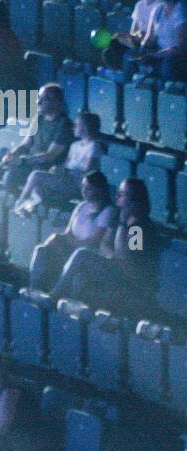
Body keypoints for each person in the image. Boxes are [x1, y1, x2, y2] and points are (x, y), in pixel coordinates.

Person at [50, 178, 157, 314]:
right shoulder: (117, 217)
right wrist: (113, 256)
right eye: (118, 192)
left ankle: (55, 295)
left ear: (134, 199)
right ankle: (73, 309)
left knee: (82, 254)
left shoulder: (139, 227)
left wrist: (124, 225)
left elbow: (130, 258)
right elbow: (105, 244)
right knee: (80, 275)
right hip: (114, 265)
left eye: (122, 194)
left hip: (130, 278)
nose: (117, 196)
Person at [28, 171, 116, 291]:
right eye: (83, 187)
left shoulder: (132, 227)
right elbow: (68, 233)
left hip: (86, 254)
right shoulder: (81, 206)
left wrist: (72, 242)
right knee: (42, 250)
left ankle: (55, 295)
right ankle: (33, 290)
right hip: (70, 247)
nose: (84, 191)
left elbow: (95, 242)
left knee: (79, 257)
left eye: (88, 188)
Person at [0, 82, 71, 190]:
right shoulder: (39, 118)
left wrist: (22, 161)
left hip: (42, 168)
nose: (38, 102)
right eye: (39, 97)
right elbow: (27, 143)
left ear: (56, 102)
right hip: (27, 163)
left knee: (11, 176)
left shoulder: (65, 125)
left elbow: (50, 155)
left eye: (44, 99)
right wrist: (12, 155)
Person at [14, 112, 103, 213]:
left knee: (36, 175)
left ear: (86, 127)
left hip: (78, 185)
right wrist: (58, 168)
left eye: (77, 125)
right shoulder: (75, 145)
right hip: (67, 179)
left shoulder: (94, 146)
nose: (74, 127)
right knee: (39, 188)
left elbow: (89, 170)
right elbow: (67, 164)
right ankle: (26, 208)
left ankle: (20, 202)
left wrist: (67, 171)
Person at [132, 0, 185, 81]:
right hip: (159, 52)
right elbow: (150, 38)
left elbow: (181, 47)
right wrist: (142, 50)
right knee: (131, 56)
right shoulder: (158, 9)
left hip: (177, 56)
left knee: (168, 64)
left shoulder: (181, 11)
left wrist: (154, 55)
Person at [104, 0, 160, 68]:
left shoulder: (159, 6)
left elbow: (154, 34)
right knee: (111, 46)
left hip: (151, 43)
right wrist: (122, 36)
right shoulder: (139, 5)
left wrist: (140, 36)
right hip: (137, 40)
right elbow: (133, 32)